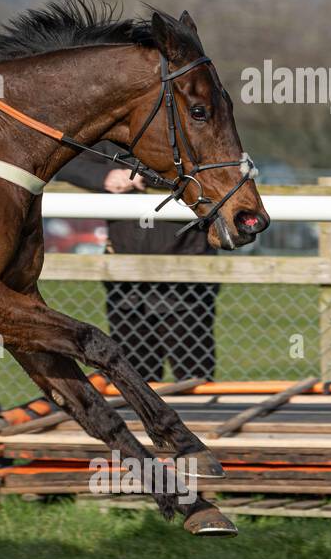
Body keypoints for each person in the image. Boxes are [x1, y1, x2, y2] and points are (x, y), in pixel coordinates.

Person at [56, 142, 221, 381]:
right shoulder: (112, 140)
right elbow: (65, 164)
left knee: (194, 377)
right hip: (126, 287)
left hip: (185, 283)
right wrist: (106, 176)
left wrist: (140, 174)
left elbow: (210, 170)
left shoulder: (188, 131)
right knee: (136, 379)